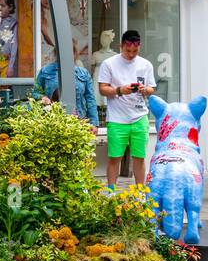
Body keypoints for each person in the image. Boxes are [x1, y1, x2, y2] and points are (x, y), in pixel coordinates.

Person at [96, 29, 157, 188]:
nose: (131, 54)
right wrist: (119, 90)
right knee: (115, 157)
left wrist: (145, 90)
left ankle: (140, 193)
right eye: (127, 50)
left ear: (140, 47)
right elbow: (102, 88)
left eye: (135, 51)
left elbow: (152, 89)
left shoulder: (146, 64)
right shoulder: (109, 63)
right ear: (120, 46)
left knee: (139, 157)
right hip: (117, 119)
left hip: (139, 117)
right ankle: (111, 192)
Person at [33, 42, 99, 125]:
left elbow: (90, 99)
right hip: (51, 121)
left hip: (78, 121)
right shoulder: (46, 71)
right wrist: (42, 97)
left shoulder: (83, 73)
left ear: (75, 54)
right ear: (57, 53)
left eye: (70, 52)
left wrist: (94, 123)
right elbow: (35, 92)